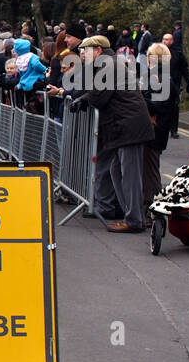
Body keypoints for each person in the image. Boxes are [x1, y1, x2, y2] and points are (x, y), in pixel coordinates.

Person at [67, 35, 152, 233]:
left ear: (97, 50)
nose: (83, 55)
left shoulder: (109, 65)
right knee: (116, 169)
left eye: (86, 51)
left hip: (128, 125)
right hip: (124, 125)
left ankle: (134, 220)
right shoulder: (108, 64)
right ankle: (129, 213)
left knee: (129, 174)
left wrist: (84, 99)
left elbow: (100, 95)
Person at [139, 42, 179, 219]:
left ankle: (151, 210)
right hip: (158, 129)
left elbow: (159, 105)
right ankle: (150, 208)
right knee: (150, 170)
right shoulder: (161, 76)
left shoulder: (158, 77)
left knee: (150, 172)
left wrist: (139, 98)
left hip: (154, 130)